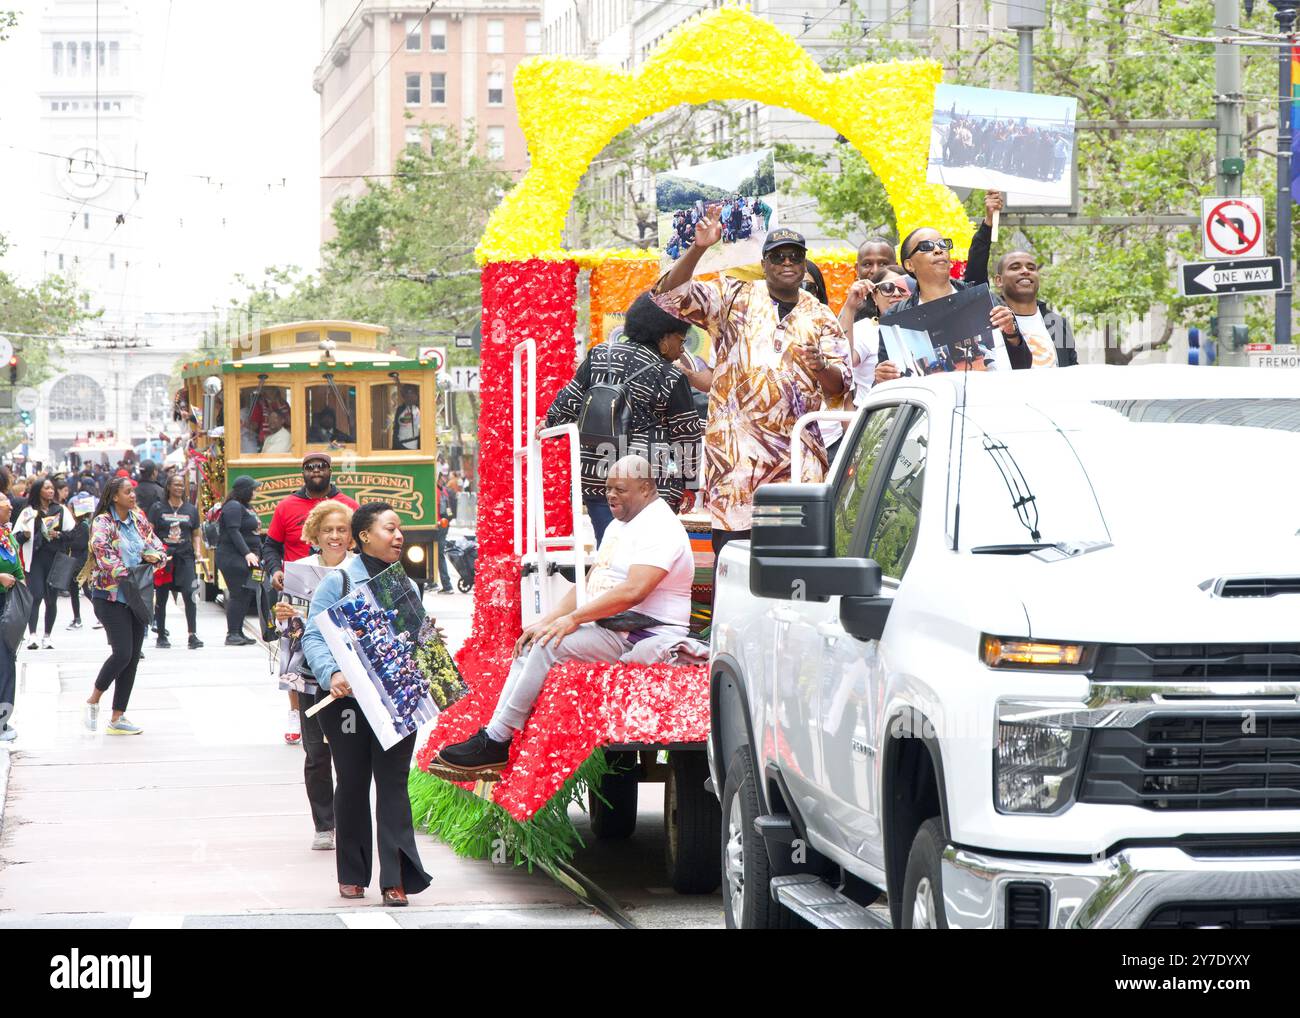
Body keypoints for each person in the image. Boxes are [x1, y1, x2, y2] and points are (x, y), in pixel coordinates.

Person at [433, 456, 693, 777]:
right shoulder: (618, 526)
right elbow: (591, 583)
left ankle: (498, 740)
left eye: (621, 490)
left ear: (646, 488)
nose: (610, 495)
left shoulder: (659, 527)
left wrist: (572, 620)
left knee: (548, 645)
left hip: (648, 637)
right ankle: (493, 738)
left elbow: (634, 591)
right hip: (617, 630)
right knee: (533, 640)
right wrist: (548, 618)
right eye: (607, 488)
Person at [654, 219, 850, 557]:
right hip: (736, 465)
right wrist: (699, 247)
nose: (787, 263)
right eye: (778, 257)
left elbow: (841, 386)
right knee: (737, 566)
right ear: (764, 264)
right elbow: (669, 296)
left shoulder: (820, 315)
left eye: (794, 256)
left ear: (804, 264)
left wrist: (821, 367)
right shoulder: (733, 296)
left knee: (792, 566)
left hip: (796, 465)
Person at [302, 502, 433, 906]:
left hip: (395, 703)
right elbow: (313, 636)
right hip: (345, 705)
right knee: (353, 783)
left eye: (400, 530)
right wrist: (332, 675)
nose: (399, 536)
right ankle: (353, 874)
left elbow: (413, 644)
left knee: (393, 785)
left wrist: (426, 638)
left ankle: (396, 879)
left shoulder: (404, 585)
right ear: (364, 537)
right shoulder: (337, 582)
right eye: (390, 529)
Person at [545, 291, 702, 544]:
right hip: (648, 485)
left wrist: (548, 423)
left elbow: (564, 407)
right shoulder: (670, 376)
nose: (680, 350)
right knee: (646, 555)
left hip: (597, 477)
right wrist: (689, 485)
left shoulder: (599, 356)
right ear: (663, 337)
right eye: (680, 341)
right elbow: (687, 438)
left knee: (609, 552)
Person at [261, 453, 360, 745]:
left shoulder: (349, 506)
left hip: (337, 584)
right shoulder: (286, 506)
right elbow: (271, 545)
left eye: (322, 466)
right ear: (302, 472)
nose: (316, 471)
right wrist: (275, 571)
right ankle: (296, 711)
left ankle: (342, 712)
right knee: (296, 649)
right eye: (310, 467)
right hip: (299, 586)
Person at [273, 498, 354, 852]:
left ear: (353, 535)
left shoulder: (362, 569)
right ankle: (324, 825)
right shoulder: (299, 570)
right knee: (317, 752)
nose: (334, 536)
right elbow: (288, 633)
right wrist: (282, 615)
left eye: (341, 530)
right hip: (309, 676)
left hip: (353, 680)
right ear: (314, 535)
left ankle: (351, 820)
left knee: (351, 754)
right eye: (327, 530)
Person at [873, 227, 1030, 385]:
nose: (938, 250)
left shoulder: (984, 300)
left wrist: (1012, 333)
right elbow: (886, 388)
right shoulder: (895, 320)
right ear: (909, 265)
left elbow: (1024, 365)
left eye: (942, 244)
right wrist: (881, 378)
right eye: (926, 246)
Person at [80, 476, 167, 736]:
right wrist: (129, 572)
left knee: (132, 658)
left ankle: (118, 717)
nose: (133, 496)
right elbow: (103, 553)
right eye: (128, 492)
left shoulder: (139, 519)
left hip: (137, 595)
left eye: (133, 492)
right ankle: (93, 699)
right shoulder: (103, 522)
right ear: (114, 496)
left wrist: (156, 557)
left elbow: (157, 545)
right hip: (110, 596)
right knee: (122, 653)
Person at [14, 474, 76, 650]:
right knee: (35, 596)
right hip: (35, 559)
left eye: (51, 488)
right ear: (38, 490)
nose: (50, 491)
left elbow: (73, 534)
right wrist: (25, 535)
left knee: (51, 598)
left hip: (55, 559)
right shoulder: (28, 512)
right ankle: (32, 634)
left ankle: (47, 635)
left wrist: (60, 535)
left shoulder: (61, 510)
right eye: (46, 488)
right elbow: (16, 537)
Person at [837, 264, 911, 403]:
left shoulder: (921, 328)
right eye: (887, 288)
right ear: (875, 297)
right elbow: (843, 361)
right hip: (875, 413)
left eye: (902, 288)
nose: (896, 294)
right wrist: (850, 306)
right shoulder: (866, 329)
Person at [147, 473, 204, 650]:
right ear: (169, 487)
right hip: (164, 558)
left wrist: (198, 551)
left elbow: (195, 533)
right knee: (162, 597)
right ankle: (162, 634)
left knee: (189, 594)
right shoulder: (158, 508)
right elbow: (150, 532)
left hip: (185, 556)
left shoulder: (190, 510)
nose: (179, 488)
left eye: (182, 485)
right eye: (176, 485)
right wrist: (153, 552)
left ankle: (192, 634)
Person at [994, 249, 1078, 367]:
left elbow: (1072, 369)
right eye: (1015, 267)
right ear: (999, 280)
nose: (1025, 271)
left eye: (1031, 268)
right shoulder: (992, 322)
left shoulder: (1059, 323)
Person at [216, 475, 263, 648]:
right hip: (232, 557)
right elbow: (234, 532)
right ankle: (232, 633)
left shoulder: (246, 507)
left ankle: (239, 631)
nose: (256, 493)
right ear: (245, 490)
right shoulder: (233, 507)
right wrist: (247, 553)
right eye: (253, 489)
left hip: (248, 558)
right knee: (238, 594)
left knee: (246, 594)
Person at [0, 497, 24, 742]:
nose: (10, 506)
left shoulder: (7, 535)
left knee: (6, 659)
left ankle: (3, 720)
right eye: (4, 502)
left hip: (7, 604)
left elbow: (16, 566)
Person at [64, 492, 95, 631]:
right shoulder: (79, 525)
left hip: (79, 563)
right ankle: (77, 618)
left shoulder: (83, 526)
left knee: (85, 590)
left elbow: (79, 544)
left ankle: (83, 618)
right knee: (76, 591)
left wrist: (67, 539)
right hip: (76, 562)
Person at [432, 474, 454, 593]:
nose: (443, 480)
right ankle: (435, 583)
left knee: (438, 554)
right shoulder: (444, 491)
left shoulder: (436, 491)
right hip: (444, 525)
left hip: (439, 525)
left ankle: (446, 585)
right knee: (437, 554)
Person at [391, 385, 421, 450]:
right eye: (407, 395)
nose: (410, 397)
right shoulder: (400, 409)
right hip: (400, 446)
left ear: (416, 396)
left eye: (412, 394)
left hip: (415, 448)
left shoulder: (420, 408)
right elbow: (396, 428)